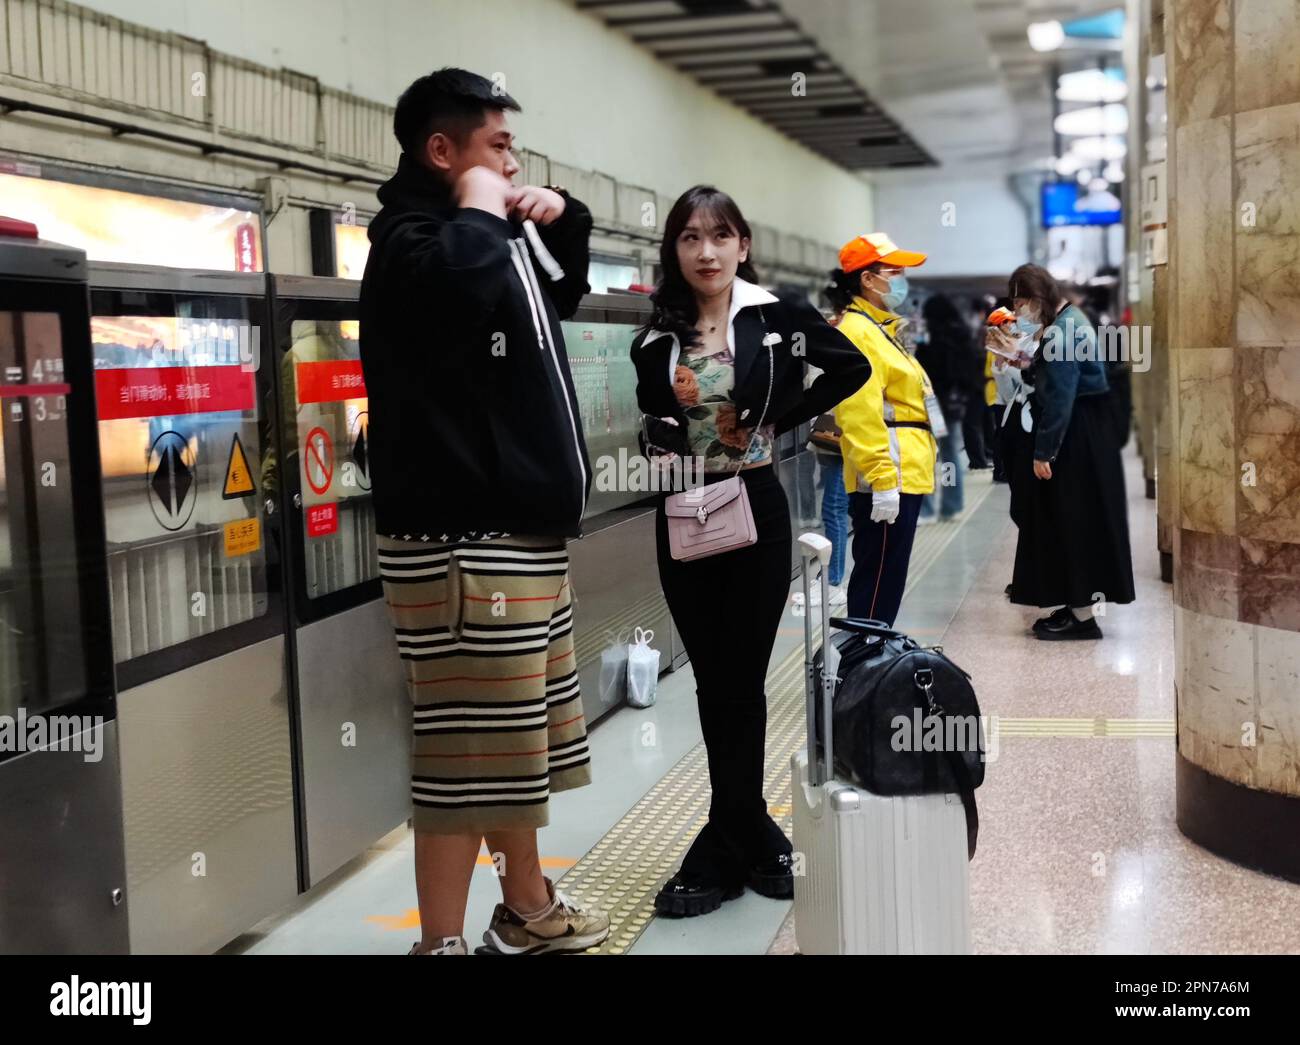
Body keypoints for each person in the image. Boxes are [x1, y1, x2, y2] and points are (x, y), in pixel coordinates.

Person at [359, 68, 609, 955]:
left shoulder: (483, 238)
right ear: (442, 151)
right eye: (496, 147)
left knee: (510, 751)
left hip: (515, 536)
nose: (511, 162)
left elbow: (562, 293)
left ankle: (527, 907)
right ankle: (438, 944)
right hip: (463, 543)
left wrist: (558, 212)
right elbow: (452, 300)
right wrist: (476, 207)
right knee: (466, 763)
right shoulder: (413, 241)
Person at [631, 186, 869, 917]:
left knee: (743, 674)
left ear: (744, 244)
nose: (707, 251)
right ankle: (746, 828)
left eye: (721, 235)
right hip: (685, 511)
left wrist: (778, 419)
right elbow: (653, 418)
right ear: (674, 249)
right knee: (712, 678)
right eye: (691, 237)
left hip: (755, 507)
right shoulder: (658, 330)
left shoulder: (774, 318)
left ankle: (731, 833)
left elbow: (849, 368)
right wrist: (660, 431)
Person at [999, 264, 1135, 639]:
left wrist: (1044, 452)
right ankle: (1076, 606)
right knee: (1073, 520)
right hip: (1084, 432)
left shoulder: (1063, 329)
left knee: (1072, 521)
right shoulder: (1069, 321)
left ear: (1037, 297)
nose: (1018, 312)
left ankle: (1082, 618)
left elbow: (1060, 397)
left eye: (1021, 302)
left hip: (1075, 435)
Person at [827, 233, 936, 626]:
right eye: (895, 272)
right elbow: (859, 412)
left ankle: (874, 660)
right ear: (868, 280)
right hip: (889, 472)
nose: (903, 280)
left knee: (887, 578)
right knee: (876, 582)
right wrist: (882, 478)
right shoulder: (858, 332)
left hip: (906, 469)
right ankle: (863, 666)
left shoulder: (882, 329)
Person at [915, 293, 977, 522]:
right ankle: (952, 504)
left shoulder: (934, 338)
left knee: (928, 455)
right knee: (950, 454)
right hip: (953, 405)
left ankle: (927, 508)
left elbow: (924, 370)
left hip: (933, 403)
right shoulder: (962, 336)